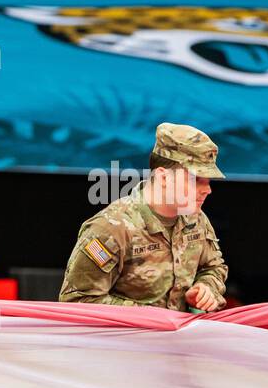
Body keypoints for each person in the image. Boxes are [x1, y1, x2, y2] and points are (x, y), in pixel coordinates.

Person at [59, 122, 227, 311]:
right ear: (163, 177)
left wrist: (206, 288)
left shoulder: (196, 220)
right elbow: (77, 301)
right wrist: (150, 316)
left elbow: (213, 268)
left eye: (208, 181)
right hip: (127, 339)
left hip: (179, 339)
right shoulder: (111, 228)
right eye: (196, 180)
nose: (208, 190)